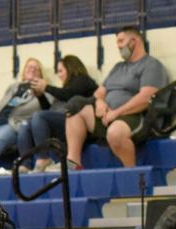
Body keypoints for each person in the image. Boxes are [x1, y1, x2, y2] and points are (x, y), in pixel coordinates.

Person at [64, 26, 169, 169]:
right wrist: (100, 103)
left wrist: (116, 113)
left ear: (134, 41)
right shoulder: (118, 67)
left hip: (135, 116)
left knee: (115, 133)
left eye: (121, 41)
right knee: (75, 107)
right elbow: (99, 93)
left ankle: (131, 173)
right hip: (108, 116)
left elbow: (145, 98)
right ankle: (73, 164)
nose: (118, 46)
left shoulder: (151, 65)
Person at [19, 55, 98, 172]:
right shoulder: (65, 88)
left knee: (38, 116)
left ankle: (44, 158)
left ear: (70, 69)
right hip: (63, 121)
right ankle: (25, 165)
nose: (59, 75)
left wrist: (47, 87)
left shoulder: (82, 80)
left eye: (61, 71)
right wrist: (41, 96)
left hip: (77, 124)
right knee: (26, 125)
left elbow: (69, 94)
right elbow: (50, 110)